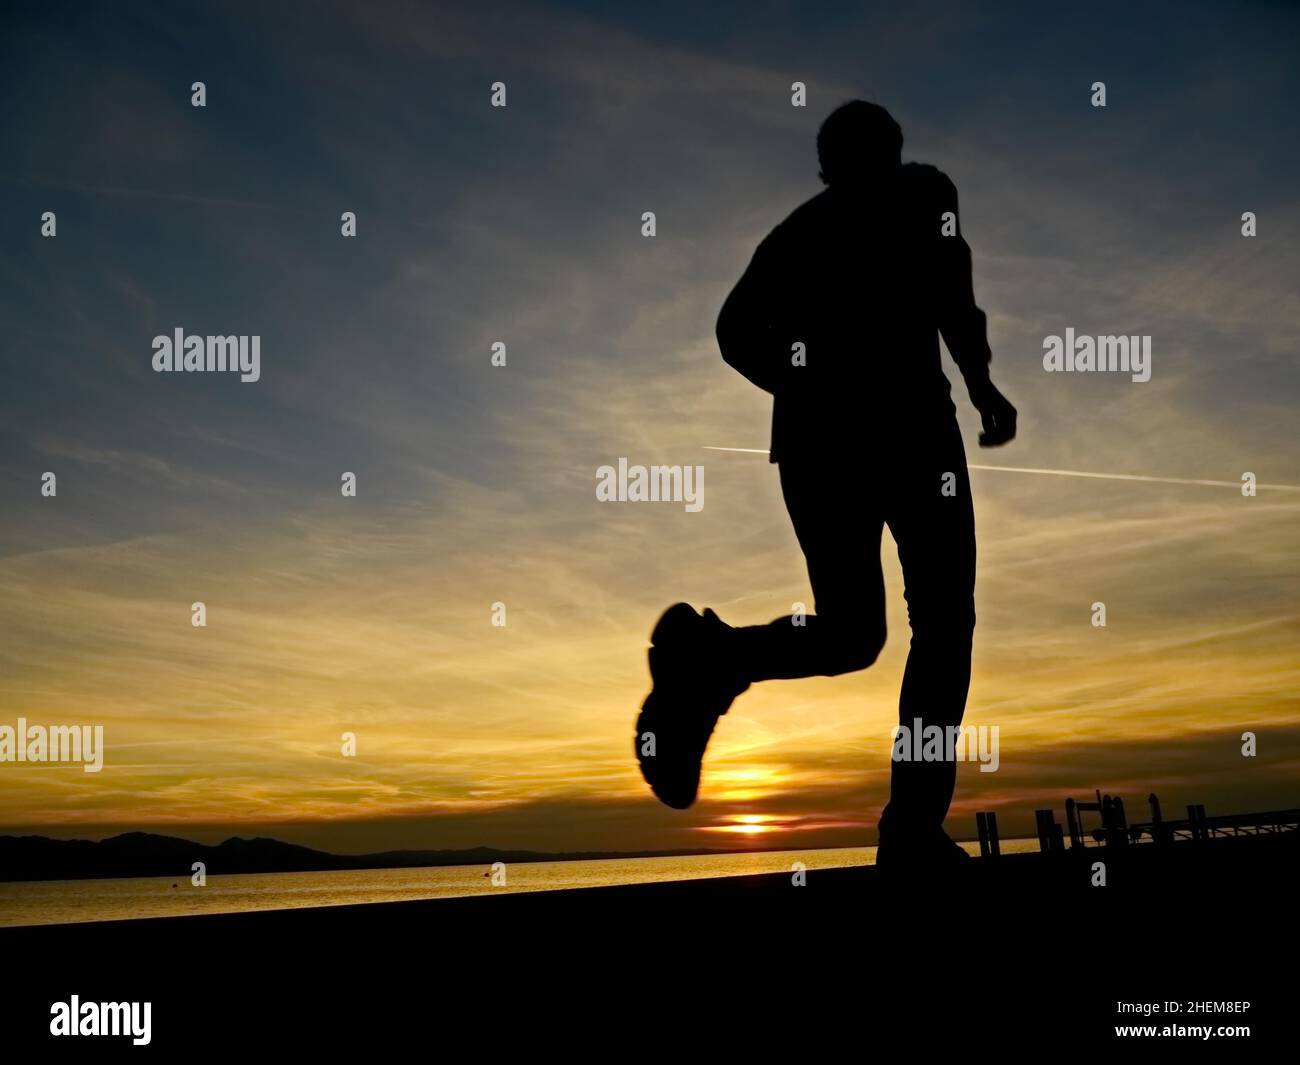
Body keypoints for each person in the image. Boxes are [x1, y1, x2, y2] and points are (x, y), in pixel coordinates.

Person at [634, 101, 1017, 870]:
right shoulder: (905, 202)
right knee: (933, 627)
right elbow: (739, 330)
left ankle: (716, 663)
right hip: (887, 440)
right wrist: (968, 387)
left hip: (853, 444)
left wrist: (972, 387)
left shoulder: (836, 222)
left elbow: (945, 295)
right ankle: (908, 828)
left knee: (863, 634)